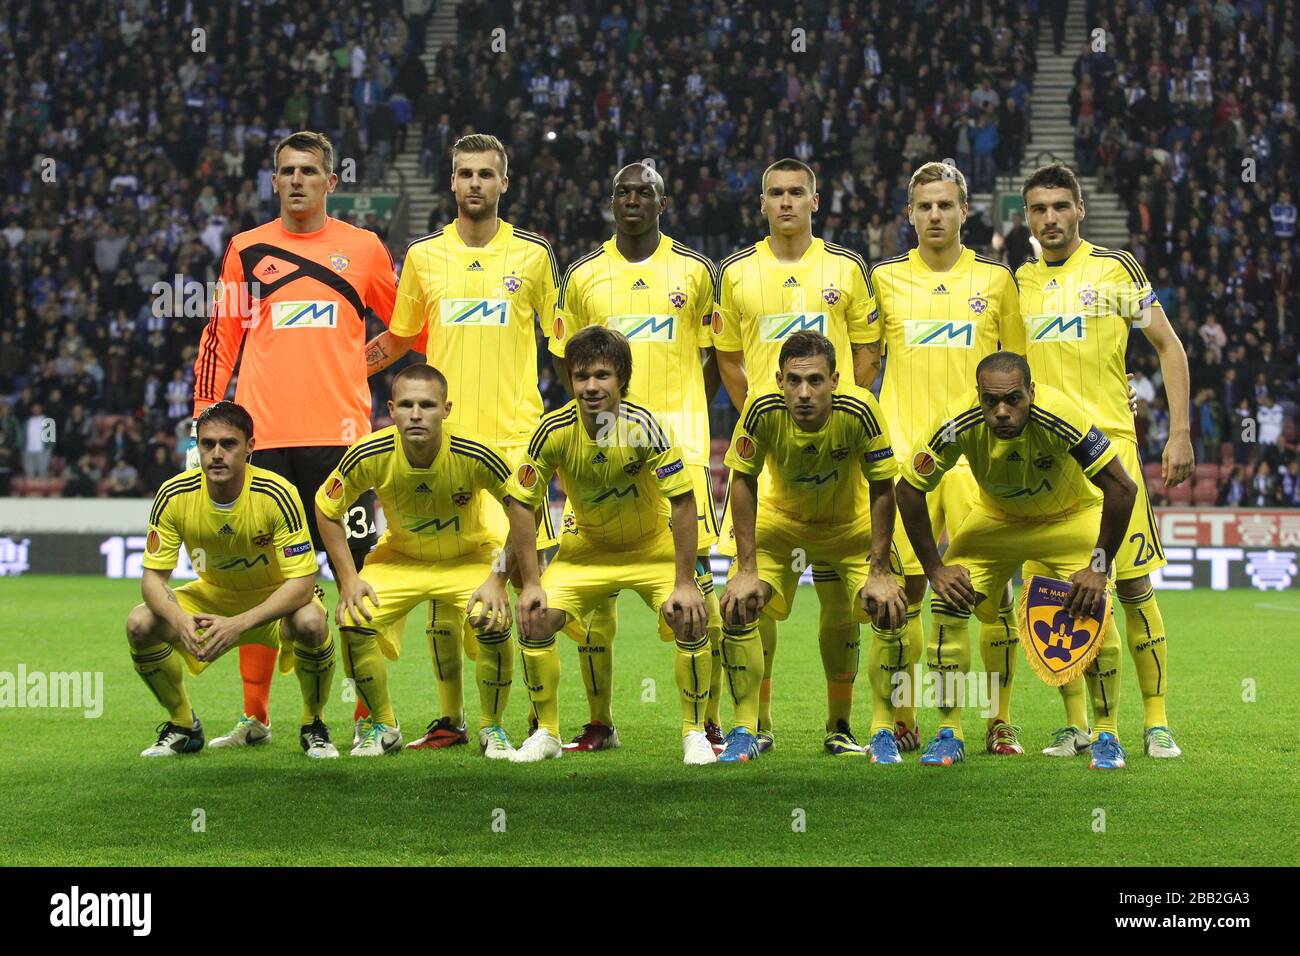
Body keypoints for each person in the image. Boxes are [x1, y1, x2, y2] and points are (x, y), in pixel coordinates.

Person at [189, 130, 422, 751]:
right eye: (286, 171)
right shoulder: (245, 249)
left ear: (330, 181)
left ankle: (371, 719)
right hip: (262, 444)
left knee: (356, 579)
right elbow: (221, 339)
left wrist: (359, 365)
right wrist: (204, 423)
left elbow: (404, 328)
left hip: (343, 444)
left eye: (308, 171)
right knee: (260, 585)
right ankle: (256, 718)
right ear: (274, 180)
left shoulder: (364, 249)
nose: (296, 180)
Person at [375, 132, 561, 750]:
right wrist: (341, 369)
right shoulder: (424, 257)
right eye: (465, 174)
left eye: (486, 174)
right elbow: (399, 342)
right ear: (451, 183)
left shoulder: (534, 257)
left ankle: (535, 721)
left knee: (520, 580)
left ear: (504, 183)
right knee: (446, 586)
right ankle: (453, 720)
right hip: (445, 446)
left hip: (514, 444)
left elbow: (563, 344)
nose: (475, 183)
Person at [1014, 162, 1193, 760]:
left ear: (1080, 209)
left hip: (1112, 456)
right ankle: (1077, 725)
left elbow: (1168, 346)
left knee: (1135, 585)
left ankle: (1157, 721)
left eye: (1060, 206)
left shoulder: (1115, 272)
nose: (1051, 218)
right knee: (1055, 593)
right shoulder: (1019, 284)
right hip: (1045, 465)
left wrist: (1180, 432)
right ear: (1027, 218)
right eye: (1039, 209)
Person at [546, 161, 724, 753]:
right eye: (621, 191)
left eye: (643, 192)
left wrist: (679, 419)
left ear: (661, 202)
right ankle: (599, 722)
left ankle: (706, 724)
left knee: (697, 596)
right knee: (593, 600)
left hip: (681, 451)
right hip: (598, 459)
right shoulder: (583, 276)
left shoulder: (696, 271)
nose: (631, 200)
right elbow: (566, 355)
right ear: (611, 202)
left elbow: (715, 356)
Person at [712, 157, 880, 755]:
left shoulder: (848, 268)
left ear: (816, 200)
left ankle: (841, 728)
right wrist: (764, 410)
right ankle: (756, 727)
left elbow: (867, 349)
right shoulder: (735, 273)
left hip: (838, 459)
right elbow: (727, 356)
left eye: (796, 193)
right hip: (771, 455)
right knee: (752, 598)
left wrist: (841, 408)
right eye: (775, 194)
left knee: (841, 607)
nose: (786, 202)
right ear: (762, 204)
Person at [896, 352, 1137, 769]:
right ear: (978, 397)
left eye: (1013, 399)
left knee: (1096, 610)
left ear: (1032, 392)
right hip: (997, 521)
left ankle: (1107, 735)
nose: (1002, 412)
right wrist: (935, 568)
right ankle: (948, 732)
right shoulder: (956, 422)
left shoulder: (1060, 414)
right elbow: (908, 488)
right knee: (947, 604)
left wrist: (1097, 567)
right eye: (991, 402)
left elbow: (1122, 487)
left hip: (1069, 519)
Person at [867, 162, 1025, 756]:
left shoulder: (996, 281)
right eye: (924, 206)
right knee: (901, 596)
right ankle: (895, 722)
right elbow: (861, 363)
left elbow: (1020, 372)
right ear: (909, 215)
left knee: (990, 597)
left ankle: (996, 721)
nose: (935, 215)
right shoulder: (882, 280)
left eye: (946, 205)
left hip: (977, 464)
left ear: (965, 211)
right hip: (906, 462)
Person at [505, 326, 716, 765]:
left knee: (691, 616)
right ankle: (546, 732)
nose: (591, 387)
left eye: (602, 375)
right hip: (586, 552)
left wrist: (684, 580)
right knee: (536, 616)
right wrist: (529, 582)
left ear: (622, 377)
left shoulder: (646, 427)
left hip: (650, 549)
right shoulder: (553, 430)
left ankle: (694, 734)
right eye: (581, 376)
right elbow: (521, 503)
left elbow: (683, 499)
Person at [719, 331, 908, 763]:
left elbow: (883, 486)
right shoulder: (762, 407)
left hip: (850, 528)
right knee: (740, 602)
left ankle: (874, 731)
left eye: (816, 381)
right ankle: (749, 727)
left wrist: (879, 571)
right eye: (794, 381)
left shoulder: (861, 408)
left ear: (835, 380)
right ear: (779, 381)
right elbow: (743, 480)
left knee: (890, 607)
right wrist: (746, 568)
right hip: (784, 526)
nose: (804, 393)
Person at [314, 365, 518, 757]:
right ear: (391, 409)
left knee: (492, 619)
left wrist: (498, 579)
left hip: (467, 559)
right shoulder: (370, 452)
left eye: (427, 404)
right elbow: (326, 508)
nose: (416, 413)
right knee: (352, 617)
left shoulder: (474, 453)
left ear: (446, 409)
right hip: (401, 559)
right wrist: (349, 578)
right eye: (406, 404)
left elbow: (525, 507)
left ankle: (493, 729)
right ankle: (383, 726)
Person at [125, 402, 337, 758]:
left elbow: (302, 581)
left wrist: (237, 625)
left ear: (250, 447)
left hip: (273, 599)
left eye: (228, 444)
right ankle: (183, 726)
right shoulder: (174, 494)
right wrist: (179, 620)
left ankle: (313, 724)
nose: (217, 454)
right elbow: (152, 580)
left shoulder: (277, 493)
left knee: (312, 622)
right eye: (207, 444)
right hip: (213, 597)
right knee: (140, 622)